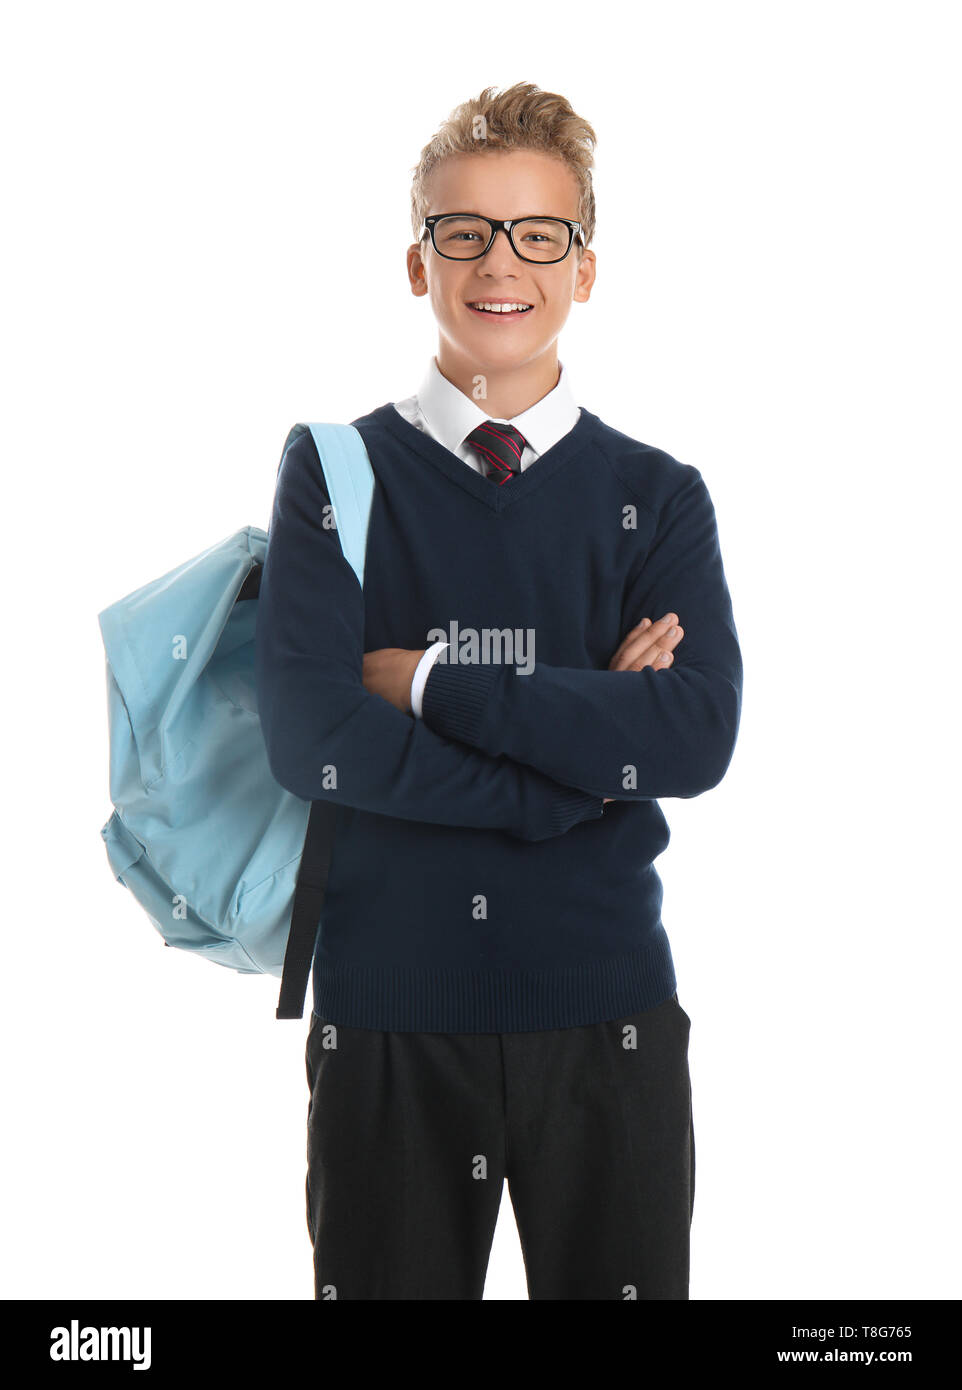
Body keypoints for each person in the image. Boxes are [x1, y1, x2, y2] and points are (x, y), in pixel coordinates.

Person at [255, 82, 743, 1300]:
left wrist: (422, 680)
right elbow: (312, 739)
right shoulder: (334, 471)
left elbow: (691, 735)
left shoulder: (659, 493)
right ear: (416, 262)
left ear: (586, 268)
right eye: (462, 231)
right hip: (387, 1026)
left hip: (607, 1021)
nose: (498, 263)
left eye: (538, 233)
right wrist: (577, 750)